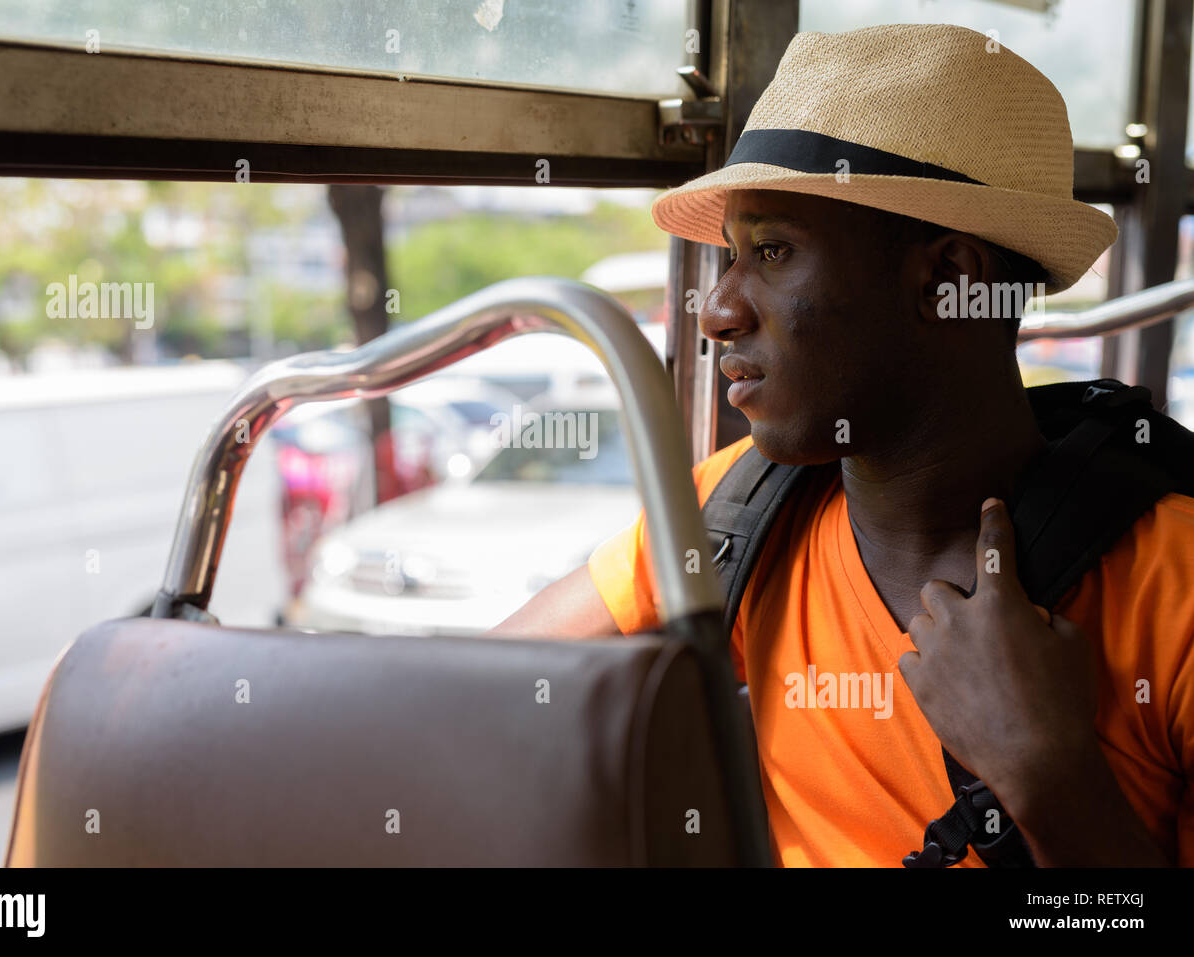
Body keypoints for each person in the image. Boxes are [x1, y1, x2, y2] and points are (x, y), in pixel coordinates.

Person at [489, 23, 1194, 867]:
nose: (717, 311)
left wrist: (1047, 774)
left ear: (951, 279)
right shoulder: (732, 516)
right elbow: (468, 696)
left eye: (774, 251)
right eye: (729, 257)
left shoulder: (1172, 587)